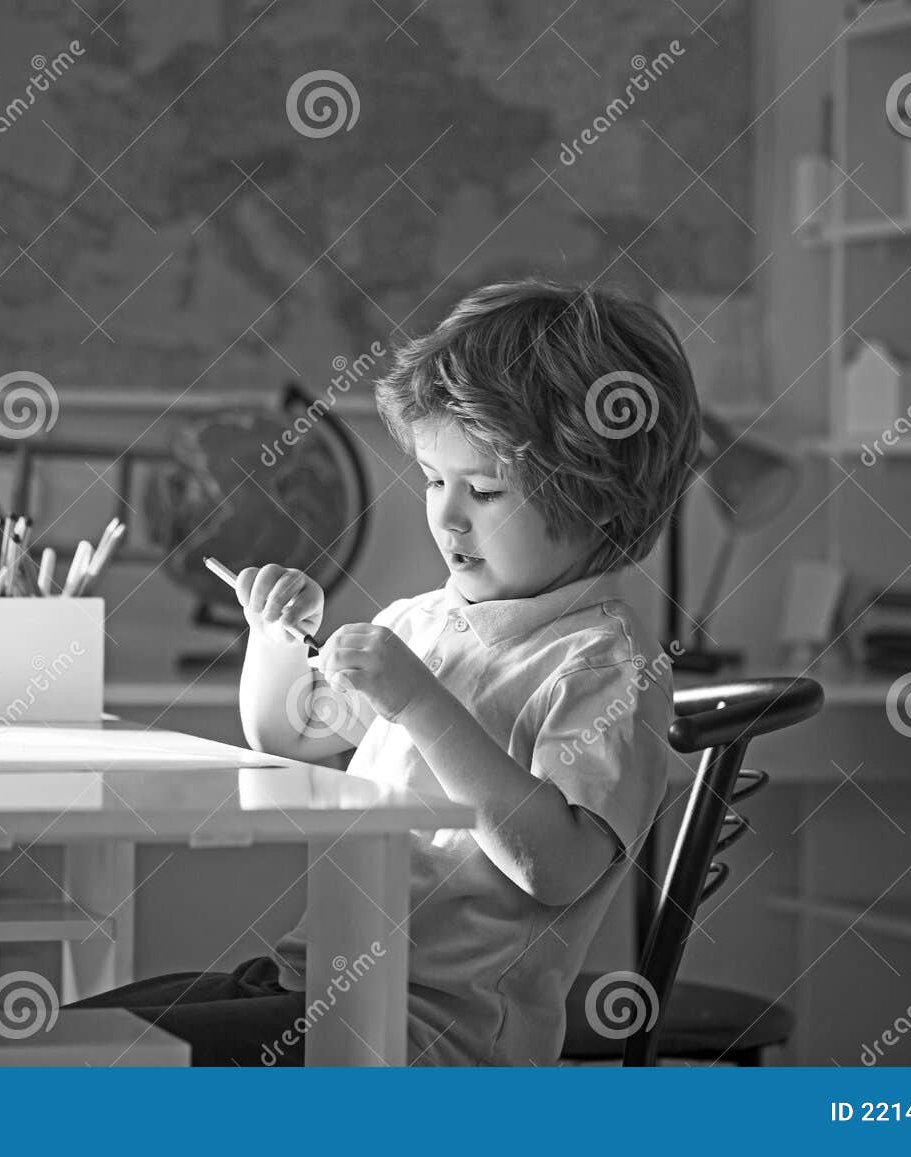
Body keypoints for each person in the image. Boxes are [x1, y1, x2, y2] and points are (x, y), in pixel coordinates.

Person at [70, 278, 702, 1064]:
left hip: (426, 1035)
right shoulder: (421, 622)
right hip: (312, 983)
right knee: (78, 1031)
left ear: (599, 497)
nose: (446, 514)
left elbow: (557, 866)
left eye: (485, 489)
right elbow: (286, 736)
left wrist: (419, 702)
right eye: (435, 479)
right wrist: (275, 638)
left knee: (108, 1063)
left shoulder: (604, 667)